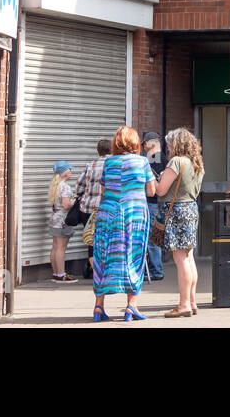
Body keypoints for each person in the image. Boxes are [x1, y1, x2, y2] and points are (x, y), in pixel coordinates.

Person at [90, 126, 156, 322]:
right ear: (135, 143)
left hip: (108, 214)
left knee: (102, 257)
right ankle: (131, 306)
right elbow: (151, 191)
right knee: (134, 255)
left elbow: (103, 191)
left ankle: (98, 307)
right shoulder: (142, 162)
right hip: (134, 214)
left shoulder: (108, 163)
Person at [155, 127, 204, 318]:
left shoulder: (176, 162)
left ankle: (183, 304)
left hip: (176, 211)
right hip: (191, 209)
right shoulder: (196, 162)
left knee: (180, 258)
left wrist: (152, 179)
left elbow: (160, 190)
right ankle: (192, 301)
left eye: (169, 143)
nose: (167, 147)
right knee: (188, 257)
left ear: (176, 144)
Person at [75, 138, 112, 279]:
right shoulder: (114, 165)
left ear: (98, 151)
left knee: (92, 240)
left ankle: (95, 270)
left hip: (88, 209)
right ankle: (105, 270)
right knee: (107, 239)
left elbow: (79, 186)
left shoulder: (90, 165)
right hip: (106, 209)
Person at [47, 161, 79, 282]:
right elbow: (66, 205)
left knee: (55, 247)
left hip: (55, 219)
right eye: (70, 170)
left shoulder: (55, 185)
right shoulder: (65, 187)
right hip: (63, 221)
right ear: (66, 172)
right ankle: (61, 274)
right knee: (61, 248)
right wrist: (74, 200)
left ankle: (56, 273)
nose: (71, 172)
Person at [141, 131, 166, 282]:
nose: (143, 147)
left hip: (152, 203)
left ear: (150, 143)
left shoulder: (150, 160)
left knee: (152, 238)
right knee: (156, 235)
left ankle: (156, 270)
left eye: (144, 144)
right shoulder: (165, 159)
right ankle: (156, 268)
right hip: (162, 203)